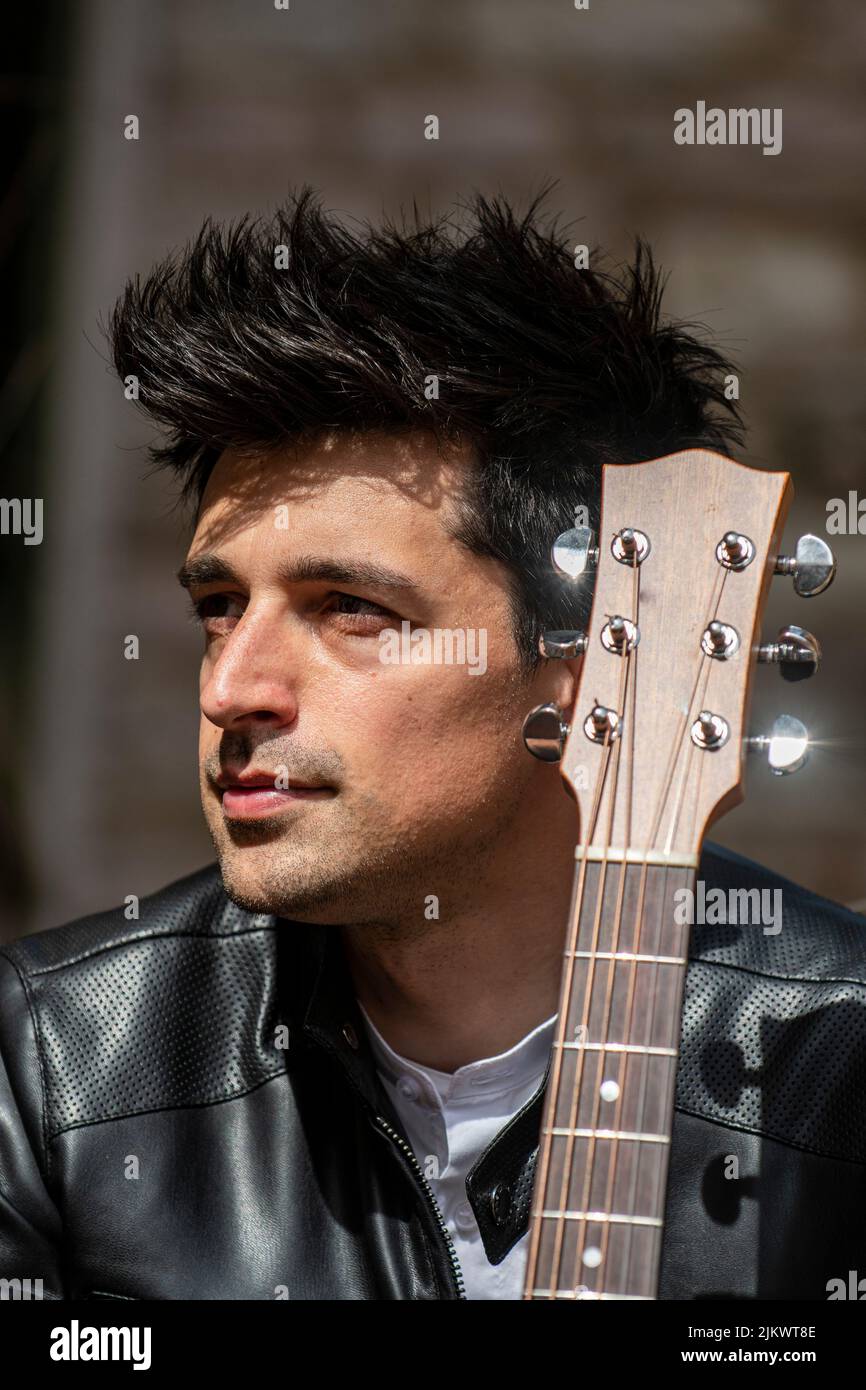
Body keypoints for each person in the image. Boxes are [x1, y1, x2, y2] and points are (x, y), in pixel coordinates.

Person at [1, 189, 863, 1301]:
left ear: (594, 654)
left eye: (352, 606)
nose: (231, 687)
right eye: (219, 605)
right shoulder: (57, 1063)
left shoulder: (836, 1061)